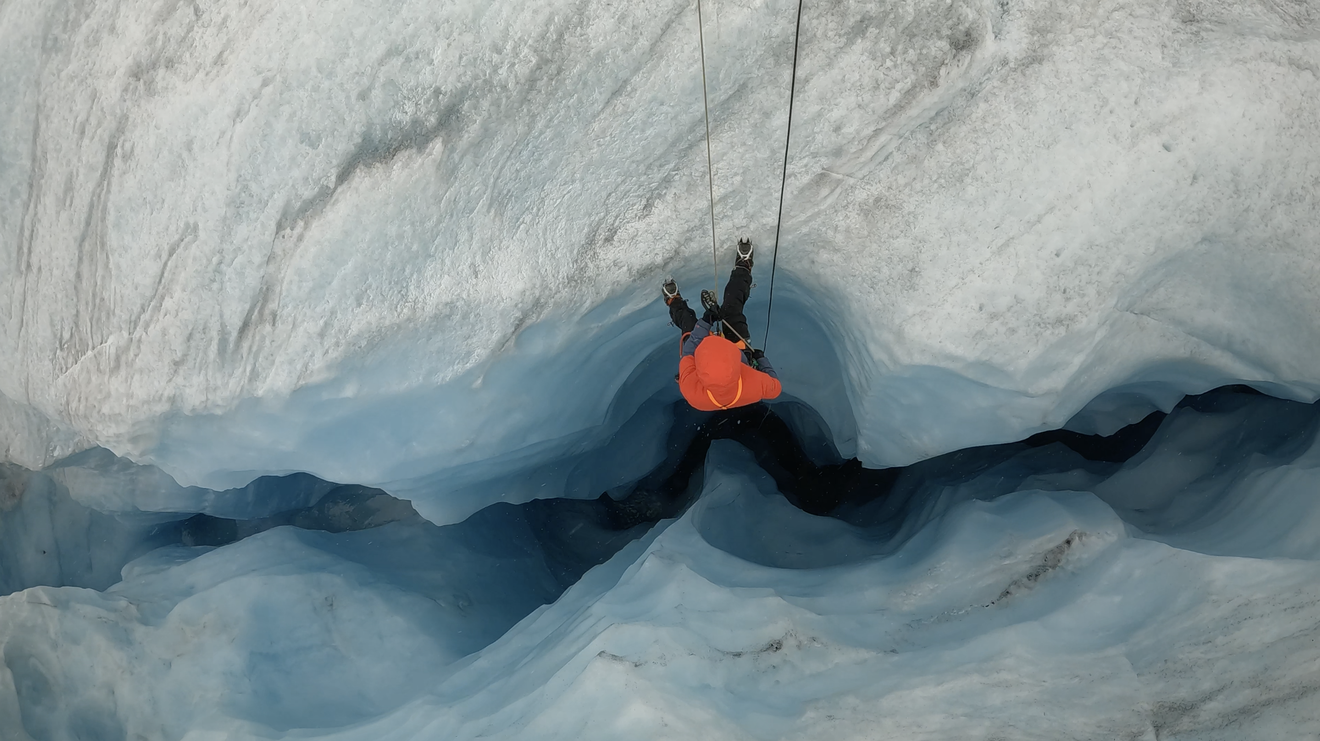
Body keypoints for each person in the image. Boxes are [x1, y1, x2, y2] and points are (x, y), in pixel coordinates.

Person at [662, 238, 782, 411]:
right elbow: (775, 388)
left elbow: (690, 349)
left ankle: (674, 301)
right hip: (737, 349)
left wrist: (707, 320)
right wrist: (760, 359)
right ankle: (743, 266)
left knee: (687, 321)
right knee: (732, 307)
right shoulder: (752, 384)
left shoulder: (691, 389)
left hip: (704, 352)